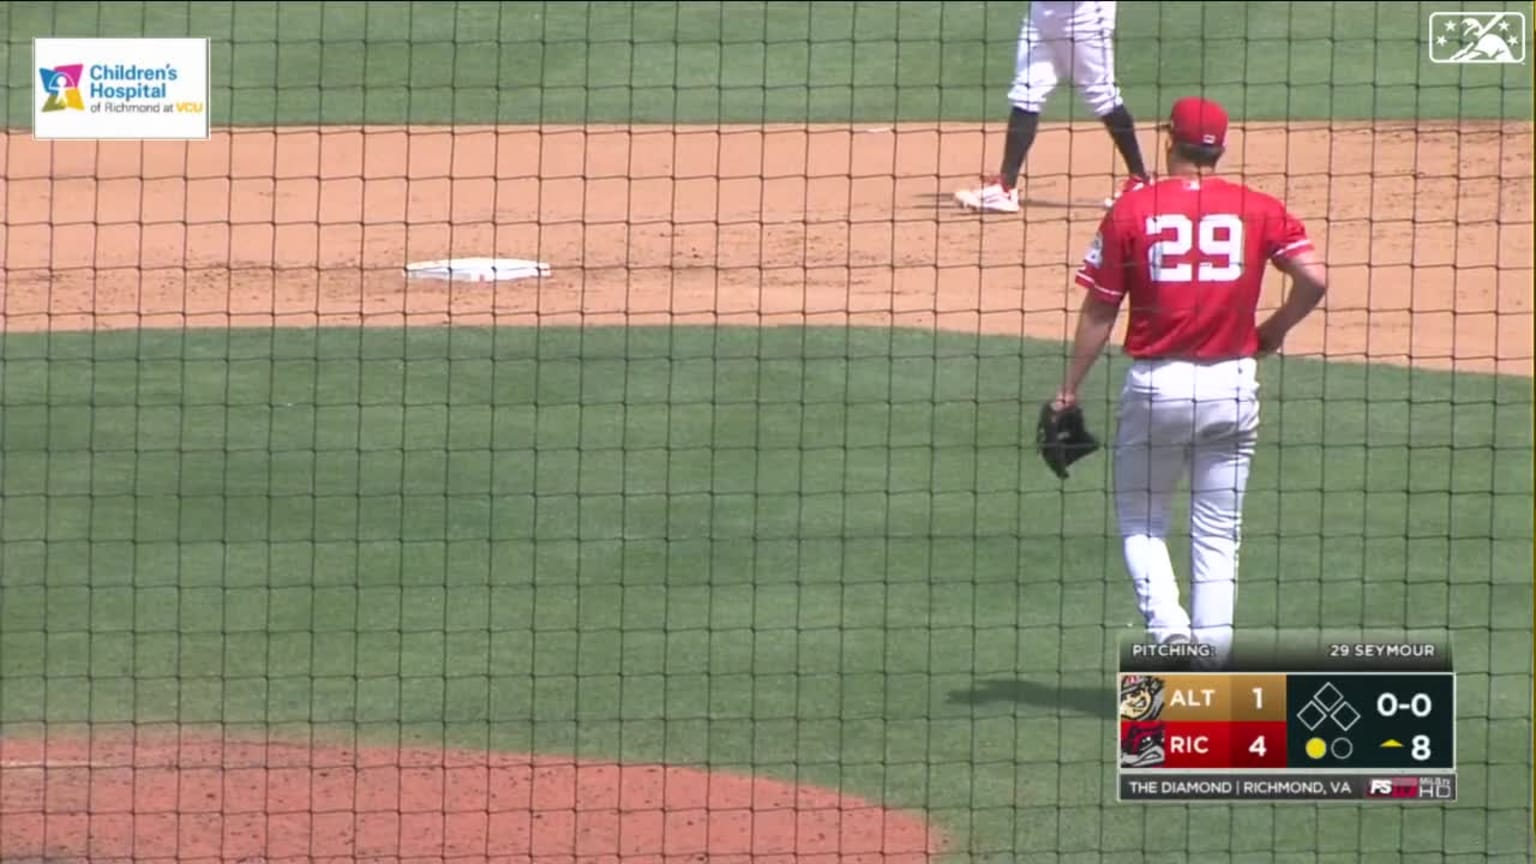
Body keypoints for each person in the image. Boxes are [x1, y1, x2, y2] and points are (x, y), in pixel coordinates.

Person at [1053, 96, 1329, 667]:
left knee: (1142, 521)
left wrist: (1068, 390)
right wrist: (1272, 330)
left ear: (1168, 138)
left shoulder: (1134, 209)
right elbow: (1314, 279)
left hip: (1158, 388)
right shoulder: (1258, 208)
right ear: (1220, 148)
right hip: (1234, 384)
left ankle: (1170, 635)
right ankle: (1211, 673)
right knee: (1219, 536)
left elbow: (1100, 312)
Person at [954, 1, 1150, 214]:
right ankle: (1005, 188)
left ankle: (1139, 180)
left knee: (1102, 95)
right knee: (1027, 92)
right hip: (1042, 16)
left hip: (1084, 17)